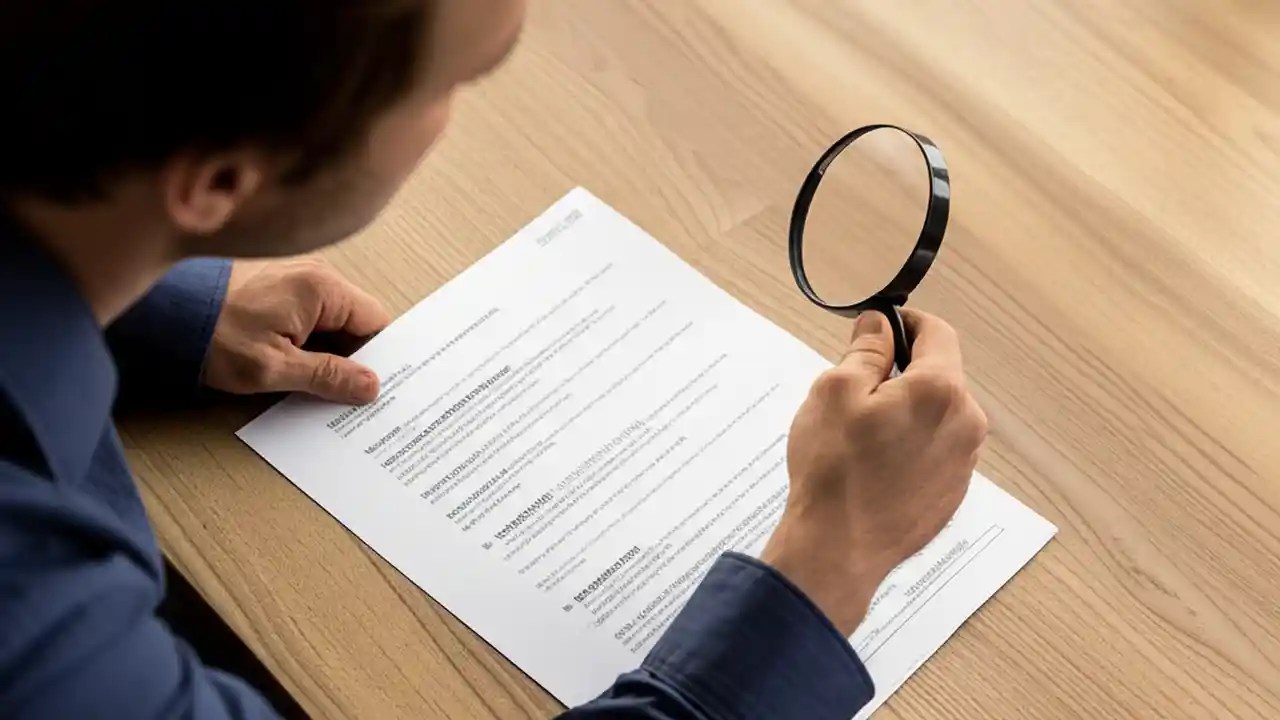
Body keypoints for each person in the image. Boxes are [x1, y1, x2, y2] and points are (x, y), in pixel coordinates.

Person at [0, 1, 987, 718]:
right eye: (455, 84)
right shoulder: (33, 629)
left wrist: (150, 296)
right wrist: (832, 558)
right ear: (219, 179)